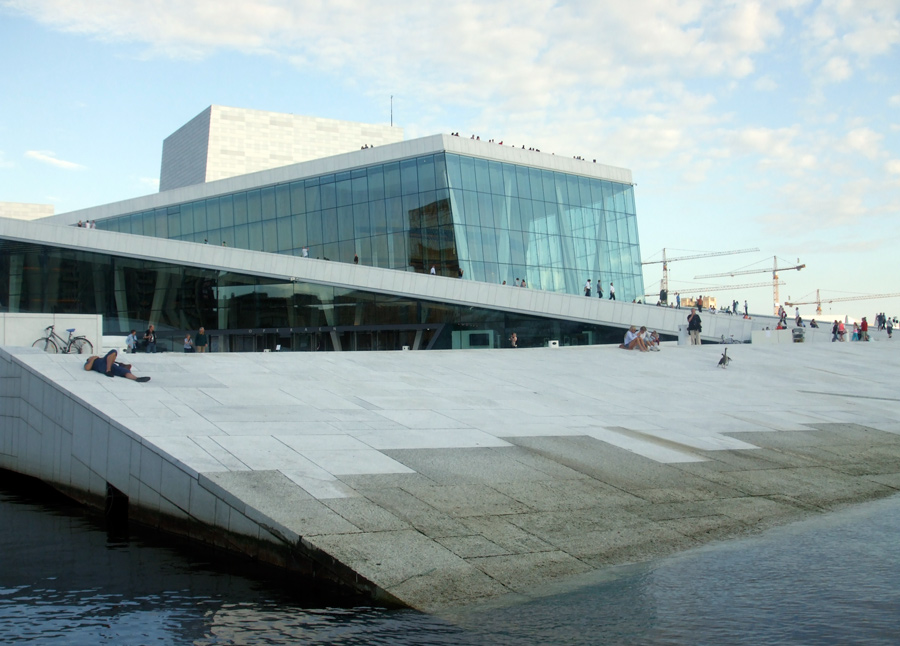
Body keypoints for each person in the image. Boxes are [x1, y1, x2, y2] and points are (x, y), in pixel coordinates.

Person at [84, 351, 150, 382]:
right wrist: (92, 358)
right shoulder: (92, 361)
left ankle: (136, 378)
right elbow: (87, 368)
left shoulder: (100, 359)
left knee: (124, 371)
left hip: (113, 366)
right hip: (103, 366)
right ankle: (108, 370)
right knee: (113, 351)